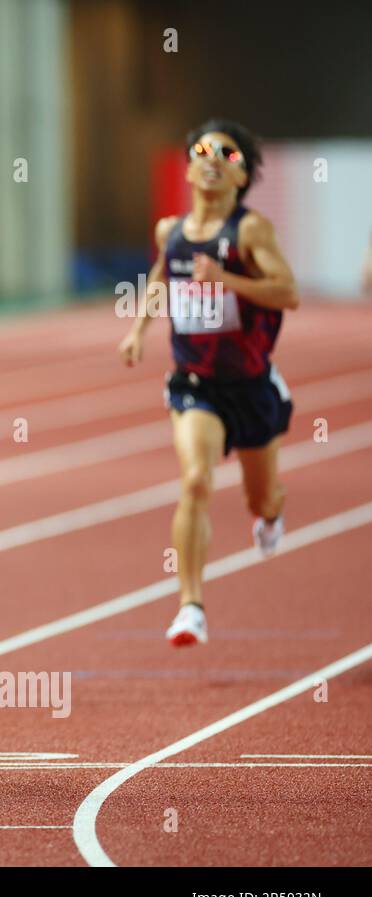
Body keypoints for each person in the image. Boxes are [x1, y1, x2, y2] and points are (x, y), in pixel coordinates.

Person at [118, 119, 299, 647]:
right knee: (195, 480)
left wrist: (227, 280)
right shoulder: (168, 230)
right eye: (202, 150)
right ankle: (190, 607)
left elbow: (287, 292)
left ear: (242, 176)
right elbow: (161, 275)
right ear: (190, 165)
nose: (213, 158)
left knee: (259, 499)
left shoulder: (249, 231)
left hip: (251, 385)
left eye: (228, 154)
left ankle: (271, 513)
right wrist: (138, 330)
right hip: (194, 384)